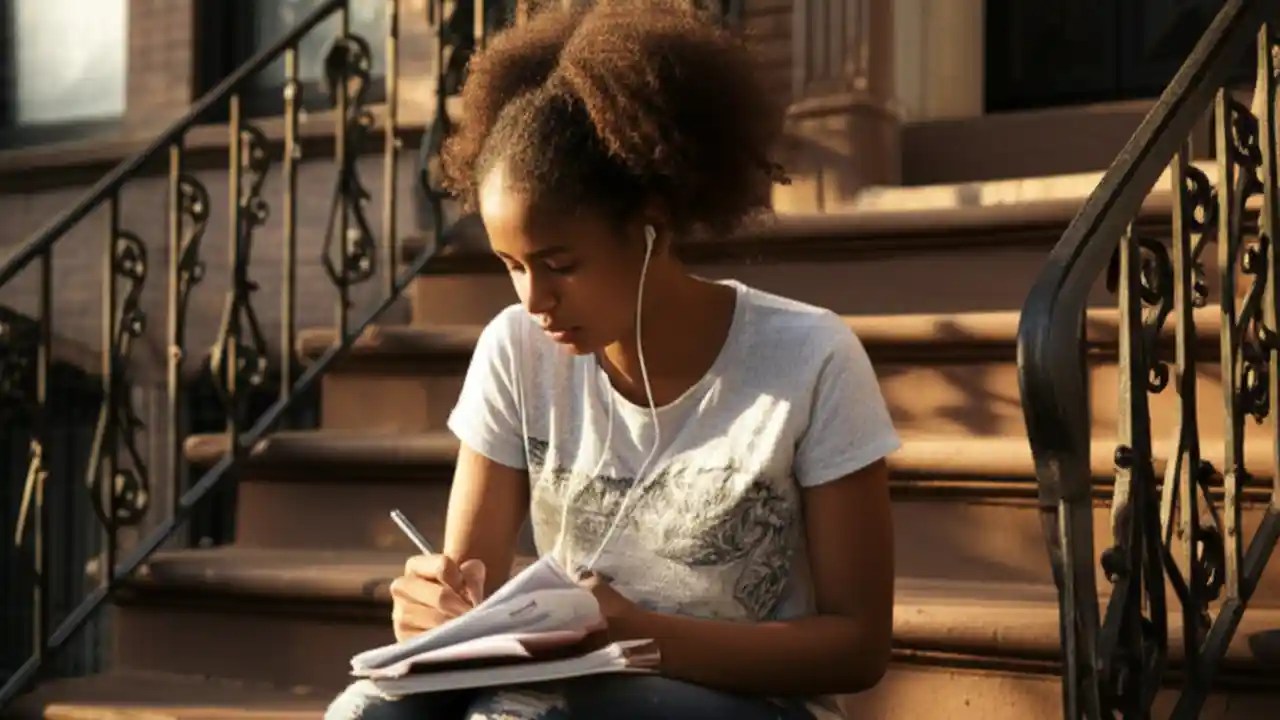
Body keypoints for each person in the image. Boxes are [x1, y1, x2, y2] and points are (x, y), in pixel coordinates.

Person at [326, 2, 899, 718]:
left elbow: (857, 646)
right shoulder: (515, 351)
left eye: (559, 263)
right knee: (366, 711)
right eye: (512, 265)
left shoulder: (810, 360)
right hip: (561, 690)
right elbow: (469, 602)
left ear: (651, 228)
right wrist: (437, 615)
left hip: (747, 705)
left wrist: (644, 635)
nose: (536, 299)